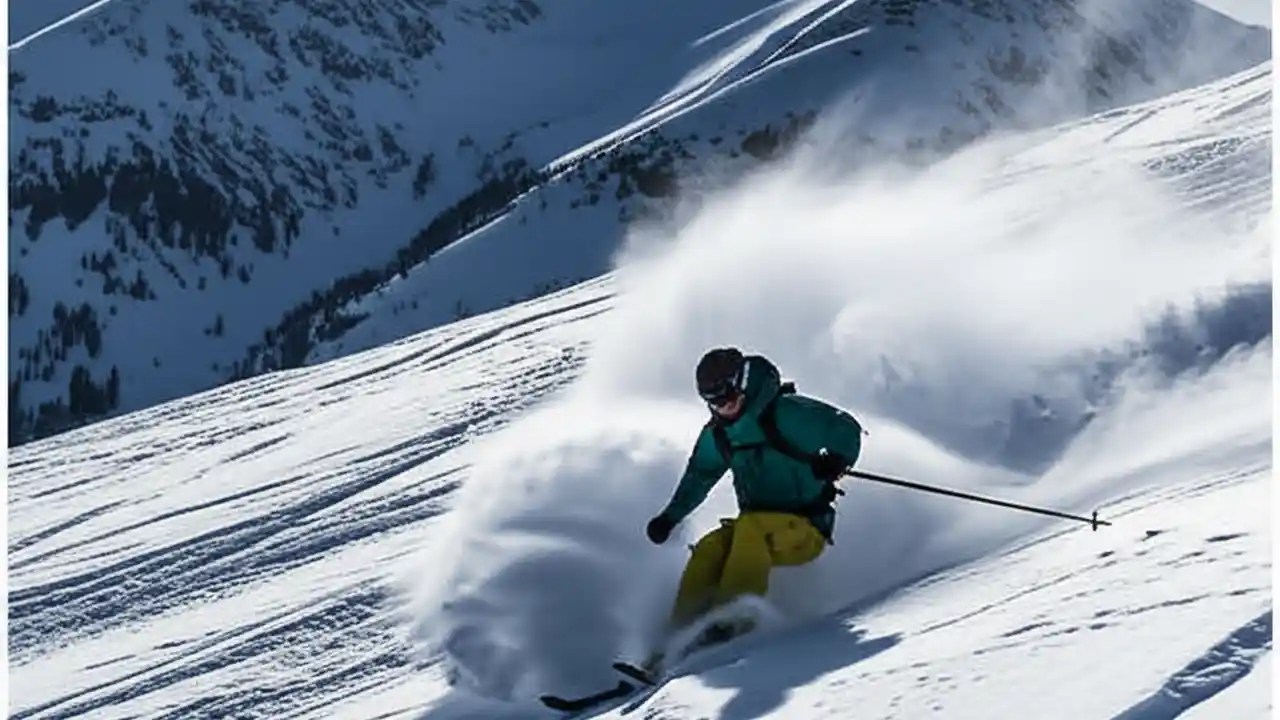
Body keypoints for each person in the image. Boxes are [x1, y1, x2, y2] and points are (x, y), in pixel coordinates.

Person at [646, 347, 863, 639]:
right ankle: (677, 638)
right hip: (758, 530)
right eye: (714, 402)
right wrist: (669, 518)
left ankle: (731, 624)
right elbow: (700, 476)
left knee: (750, 527)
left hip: (806, 529)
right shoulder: (720, 434)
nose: (724, 407)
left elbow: (845, 428)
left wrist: (837, 460)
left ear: (744, 383)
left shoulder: (787, 412)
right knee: (710, 547)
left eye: (728, 397)